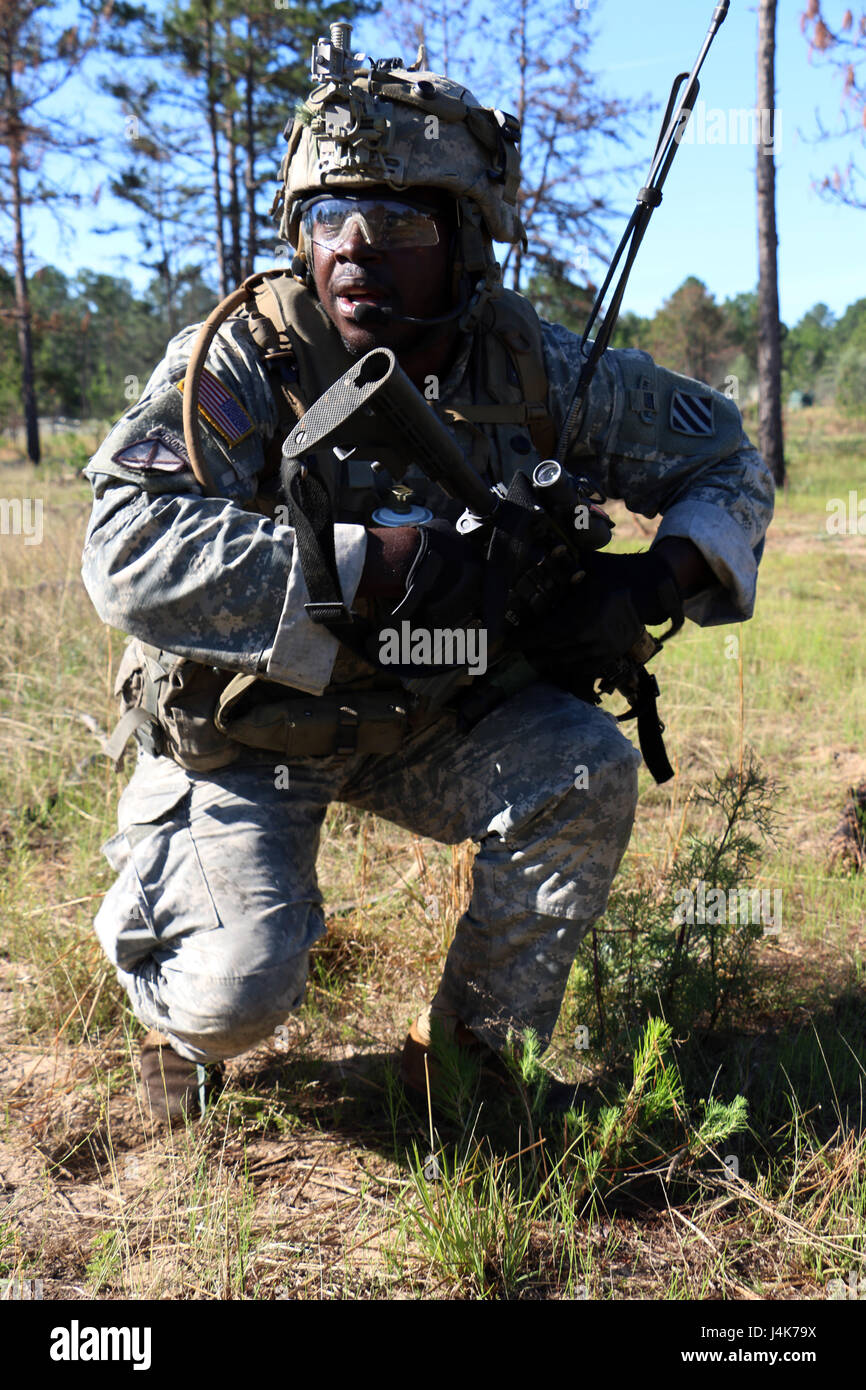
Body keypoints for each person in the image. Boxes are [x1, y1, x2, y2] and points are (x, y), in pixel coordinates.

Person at [81, 25, 774, 1121]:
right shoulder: (244, 354)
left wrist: (647, 585)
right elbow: (125, 545)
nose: (352, 244)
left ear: (464, 239)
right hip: (253, 727)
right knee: (232, 997)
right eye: (325, 217)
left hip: (434, 717)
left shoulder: (534, 364)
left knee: (578, 765)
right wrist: (365, 570)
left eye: (397, 219)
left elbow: (723, 456)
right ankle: (176, 1022)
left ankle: (463, 1059)